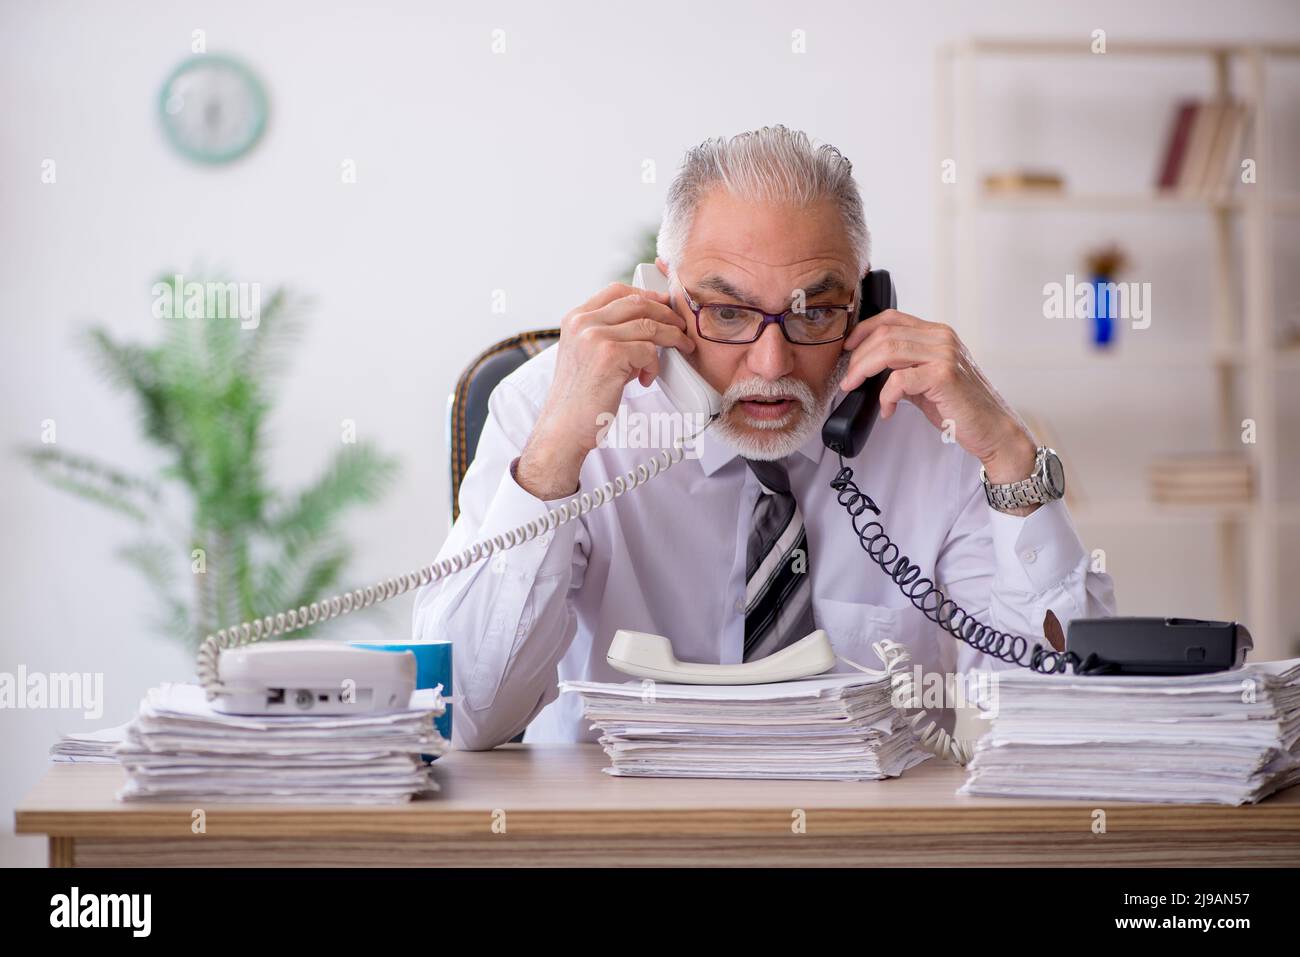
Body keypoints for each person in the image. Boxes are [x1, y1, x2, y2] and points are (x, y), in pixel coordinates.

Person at [413, 125, 1116, 750]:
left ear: (869, 301)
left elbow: (1065, 719)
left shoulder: (936, 426)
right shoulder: (550, 411)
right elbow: (467, 718)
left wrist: (1009, 457)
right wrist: (555, 456)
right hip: (614, 837)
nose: (773, 364)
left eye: (815, 312)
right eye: (726, 311)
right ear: (661, 294)